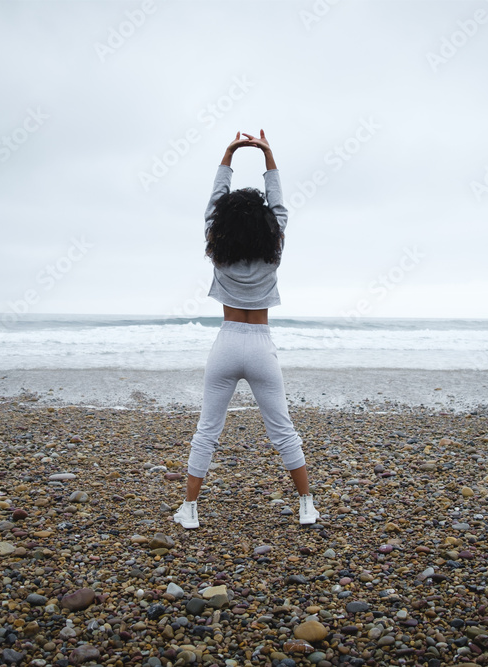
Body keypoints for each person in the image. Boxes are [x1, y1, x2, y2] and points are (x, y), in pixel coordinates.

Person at [172, 129, 319, 529]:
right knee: (283, 430)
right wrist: (268, 155)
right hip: (260, 346)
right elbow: (280, 205)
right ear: (268, 227)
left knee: (207, 431)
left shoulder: (219, 250)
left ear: (223, 225)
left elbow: (214, 205)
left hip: (226, 343)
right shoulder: (274, 249)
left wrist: (229, 152)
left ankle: (189, 510)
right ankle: (306, 504)